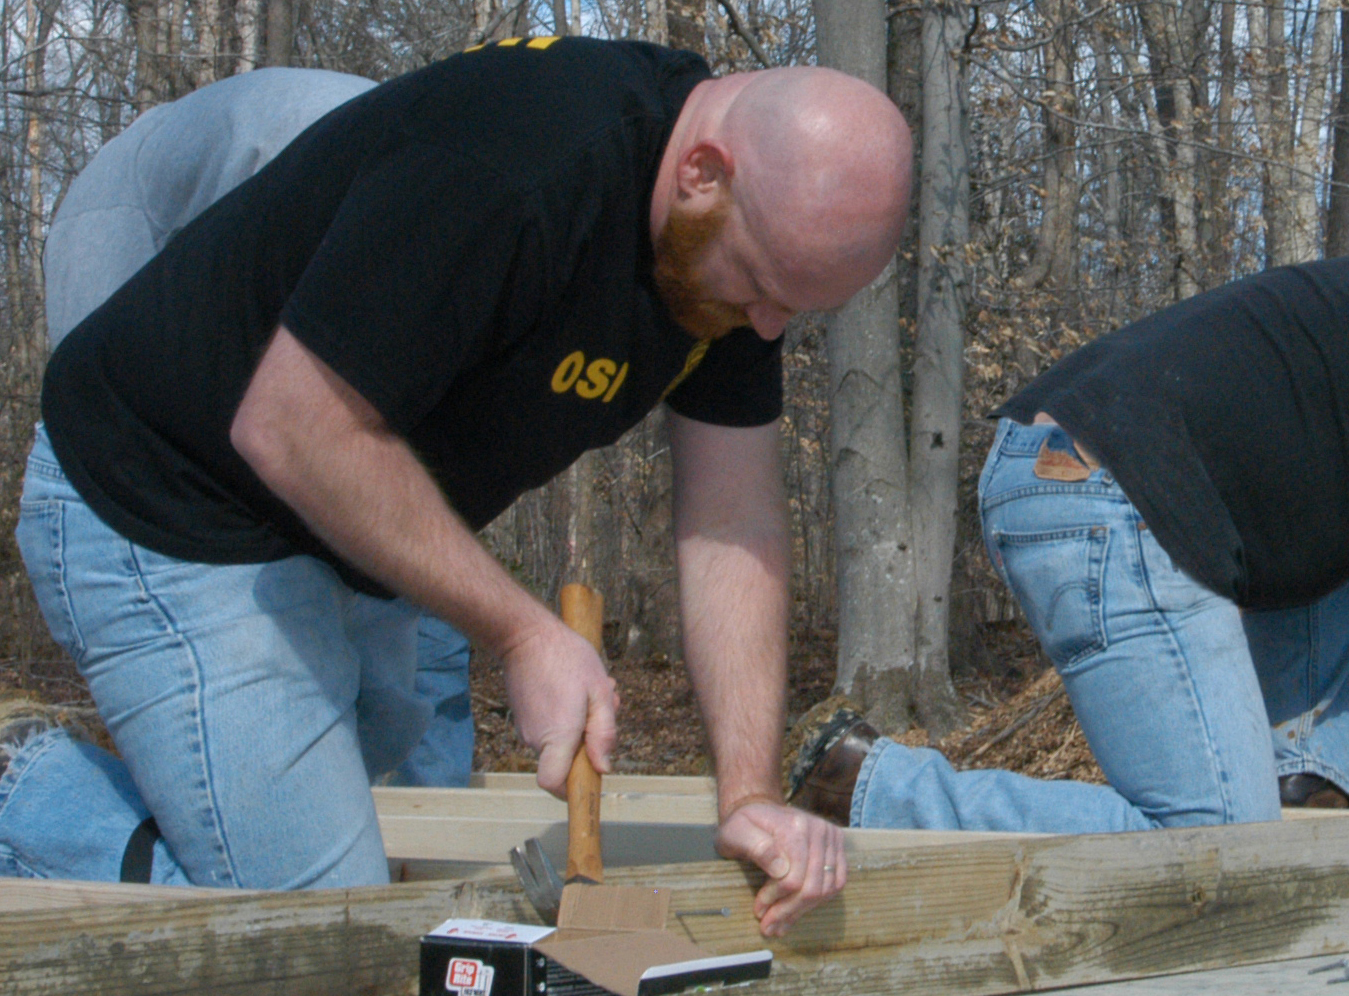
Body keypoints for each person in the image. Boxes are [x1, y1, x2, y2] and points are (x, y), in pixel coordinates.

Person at [3, 37, 912, 938]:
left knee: (308, 823)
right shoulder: (516, 161)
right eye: (759, 286)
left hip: (340, 530)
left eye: (792, 307)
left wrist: (746, 793)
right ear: (703, 173)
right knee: (326, 933)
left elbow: (734, 520)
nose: (763, 323)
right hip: (169, 504)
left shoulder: (738, 246)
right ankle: (23, 791)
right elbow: (291, 426)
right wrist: (522, 635)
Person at [789, 242, 1349, 854]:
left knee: (1292, 818)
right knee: (1216, 836)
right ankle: (867, 788)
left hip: (1106, 474)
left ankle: (1302, 790)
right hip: (1111, 487)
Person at [38, 67, 474, 791]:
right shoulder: (361, 202)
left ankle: (413, 798)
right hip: (133, 244)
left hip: (307, 248)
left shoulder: (470, 215)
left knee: (418, 557)